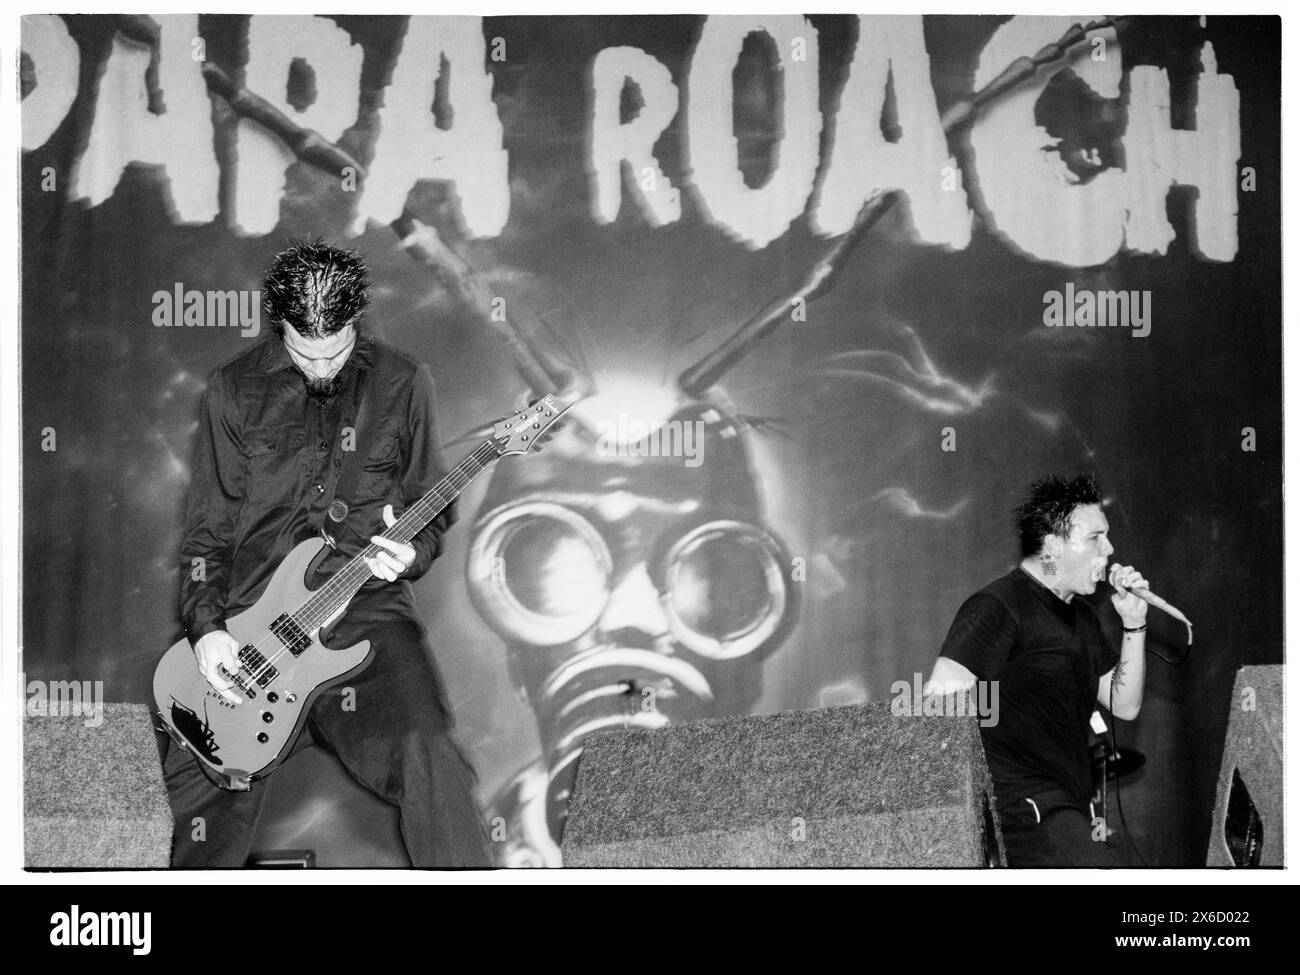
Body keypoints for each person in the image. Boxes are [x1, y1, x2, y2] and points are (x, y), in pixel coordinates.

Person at [159, 240, 492, 868]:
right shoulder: (233, 389)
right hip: (251, 629)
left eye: (335, 350)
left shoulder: (402, 380)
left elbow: (431, 503)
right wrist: (207, 630)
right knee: (191, 815)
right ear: (277, 322)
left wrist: (410, 552)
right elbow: (207, 533)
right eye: (303, 350)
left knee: (434, 758)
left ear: (355, 323)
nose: (320, 366)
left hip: (365, 617)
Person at [923, 474, 1147, 867]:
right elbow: (938, 706)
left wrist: (1134, 626)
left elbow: (1123, 704)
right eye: (1096, 537)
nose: (1109, 549)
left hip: (1067, 802)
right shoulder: (999, 605)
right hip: (1022, 806)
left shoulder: (1083, 618)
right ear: (1053, 544)